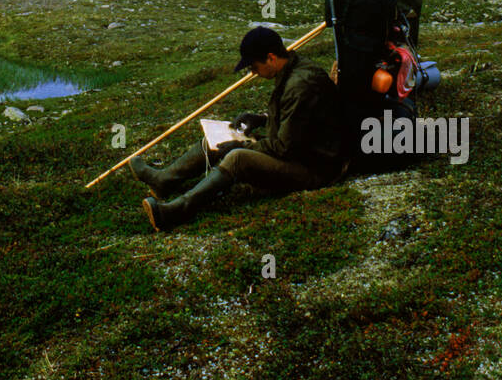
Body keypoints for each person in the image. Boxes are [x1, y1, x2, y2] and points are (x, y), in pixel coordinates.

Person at [131, 26, 346, 232]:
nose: (252, 72)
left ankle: (176, 211)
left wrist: (241, 145)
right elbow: (299, 120)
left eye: (254, 66)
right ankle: (165, 180)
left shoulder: (300, 84)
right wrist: (262, 119)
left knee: (237, 158)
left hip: (315, 168)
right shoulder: (294, 68)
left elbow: (283, 148)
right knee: (217, 140)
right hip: (300, 152)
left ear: (271, 57)